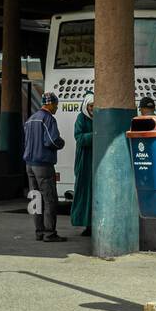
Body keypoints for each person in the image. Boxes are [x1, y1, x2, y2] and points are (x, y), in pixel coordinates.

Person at [23, 92, 66, 242]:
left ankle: (39, 232)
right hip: (43, 165)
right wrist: (62, 143)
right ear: (51, 104)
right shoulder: (47, 119)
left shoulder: (30, 120)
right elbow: (51, 141)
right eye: (56, 105)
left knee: (36, 198)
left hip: (29, 164)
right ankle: (49, 233)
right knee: (49, 199)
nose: (56, 108)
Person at [71, 93, 94, 237]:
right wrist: (96, 135)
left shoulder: (100, 117)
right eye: (90, 106)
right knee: (85, 192)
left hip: (96, 160)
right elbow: (79, 138)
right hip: (84, 160)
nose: (92, 108)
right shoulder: (81, 118)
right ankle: (87, 225)